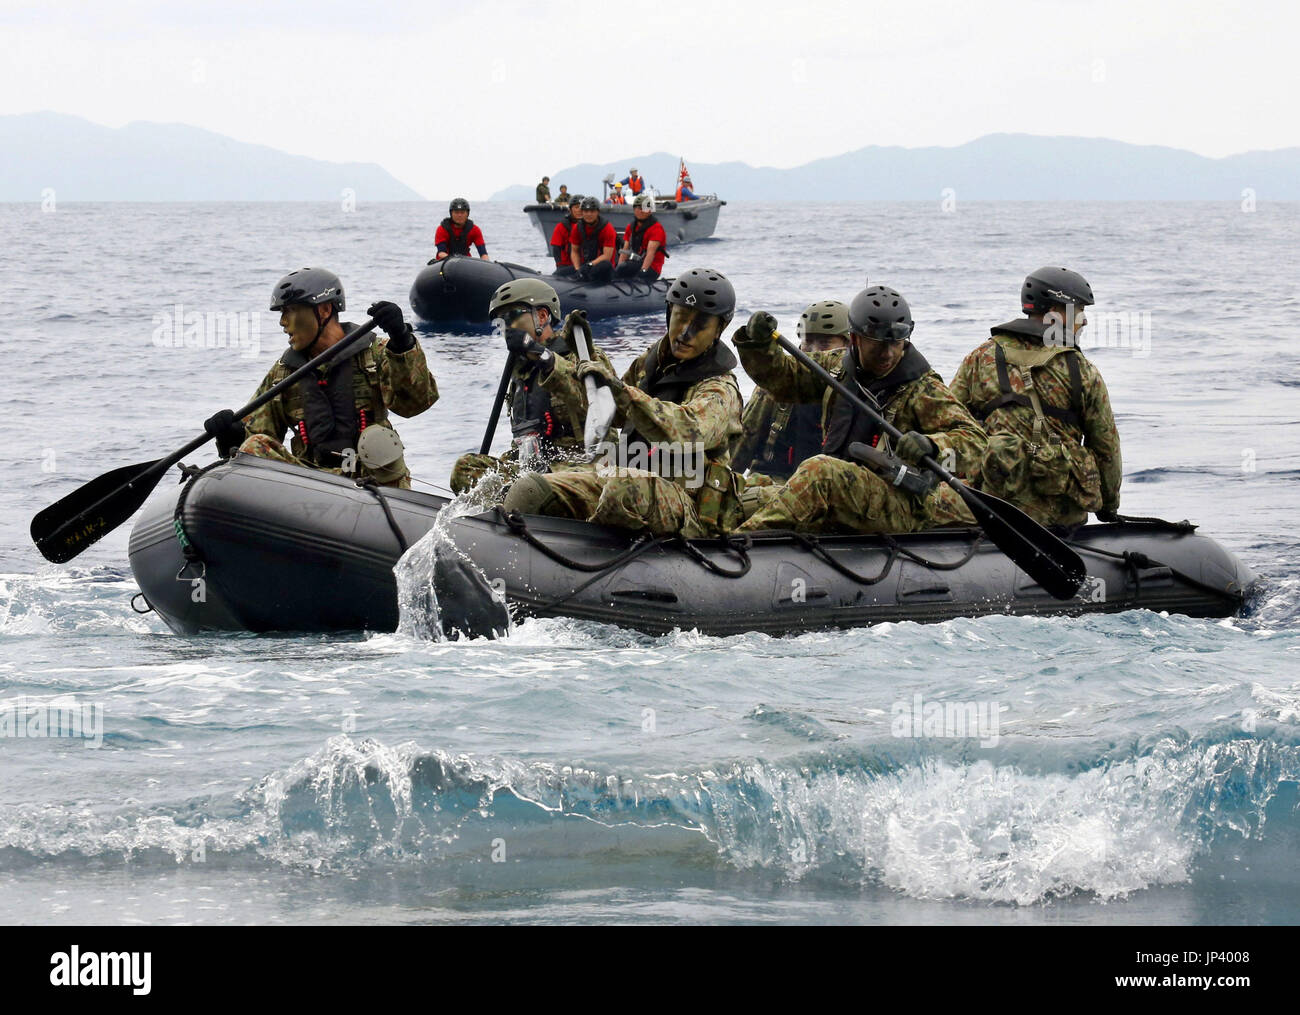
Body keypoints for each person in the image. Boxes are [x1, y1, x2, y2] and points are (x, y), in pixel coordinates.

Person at [501, 268, 745, 537]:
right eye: (680, 319)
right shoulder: (650, 364)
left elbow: (686, 431)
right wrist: (569, 366)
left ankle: (586, 554)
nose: (685, 333)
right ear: (668, 314)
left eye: (700, 326)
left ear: (718, 330)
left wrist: (619, 390)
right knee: (531, 490)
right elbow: (612, 413)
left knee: (623, 487)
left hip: (687, 500)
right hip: (628, 476)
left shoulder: (720, 389)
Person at [734, 285, 987, 534]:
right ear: (855, 338)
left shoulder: (923, 388)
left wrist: (933, 445)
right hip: (848, 492)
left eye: (896, 343)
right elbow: (784, 377)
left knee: (821, 471)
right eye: (877, 344)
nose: (888, 353)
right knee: (744, 493)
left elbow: (976, 442)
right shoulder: (838, 368)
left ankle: (744, 541)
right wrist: (758, 345)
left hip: (900, 503)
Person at [203, 268, 438, 489]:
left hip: (374, 482)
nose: (283, 322)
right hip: (313, 483)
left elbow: (415, 404)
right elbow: (256, 438)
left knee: (378, 439)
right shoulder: (284, 373)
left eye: (289, 311)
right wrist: (230, 435)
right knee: (255, 447)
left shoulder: (375, 353)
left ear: (324, 310)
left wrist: (402, 340)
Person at [949, 266, 1122, 528]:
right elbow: (1106, 448)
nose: (1083, 320)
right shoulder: (1082, 370)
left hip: (992, 510)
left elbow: (948, 423)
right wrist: (1109, 507)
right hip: (1059, 518)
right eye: (1079, 311)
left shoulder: (978, 359)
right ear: (1054, 314)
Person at [449, 279, 617, 495]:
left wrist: (542, 356)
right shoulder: (521, 372)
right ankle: (502, 511)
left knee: (531, 486)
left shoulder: (583, 354)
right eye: (500, 321)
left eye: (512, 316)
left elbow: (604, 406)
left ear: (542, 316)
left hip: (582, 465)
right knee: (466, 469)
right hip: (534, 465)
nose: (505, 327)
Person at [731, 300, 851, 480]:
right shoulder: (774, 387)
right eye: (807, 343)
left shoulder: (857, 394)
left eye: (825, 344)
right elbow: (739, 448)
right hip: (772, 485)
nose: (813, 352)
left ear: (849, 345)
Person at [615, 193, 667, 282]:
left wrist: (642, 272)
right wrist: (617, 271)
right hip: (636, 263)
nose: (640, 211)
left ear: (650, 211)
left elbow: (650, 253)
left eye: (643, 208)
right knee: (619, 267)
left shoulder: (656, 229)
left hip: (652, 267)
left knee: (627, 267)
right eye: (638, 208)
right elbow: (625, 251)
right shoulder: (630, 228)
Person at [569, 196, 617, 283]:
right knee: (561, 272)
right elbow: (574, 251)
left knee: (606, 265)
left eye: (592, 211)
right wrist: (577, 269)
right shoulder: (577, 227)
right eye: (586, 211)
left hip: (602, 266)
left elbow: (607, 256)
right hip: (585, 265)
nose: (589, 214)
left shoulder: (607, 228)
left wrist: (590, 265)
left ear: (598, 212)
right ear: (582, 212)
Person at [550, 195, 583, 277]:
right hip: (567, 266)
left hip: (585, 265)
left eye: (582, 207)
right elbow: (556, 249)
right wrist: (559, 267)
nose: (579, 210)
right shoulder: (561, 227)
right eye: (576, 207)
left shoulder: (590, 226)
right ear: (570, 209)